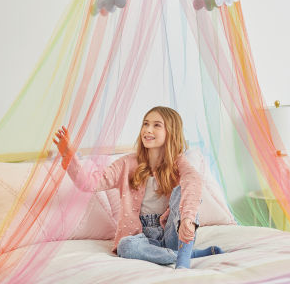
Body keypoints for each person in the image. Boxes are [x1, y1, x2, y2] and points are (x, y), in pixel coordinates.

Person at [53, 106, 222, 269]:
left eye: (156, 125)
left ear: (171, 132)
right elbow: (90, 183)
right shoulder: (127, 163)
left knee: (184, 191)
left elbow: (193, 181)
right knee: (125, 246)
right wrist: (69, 157)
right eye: (145, 124)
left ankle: (182, 261)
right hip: (141, 238)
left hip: (173, 232)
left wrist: (188, 219)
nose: (148, 129)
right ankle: (187, 255)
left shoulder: (178, 163)